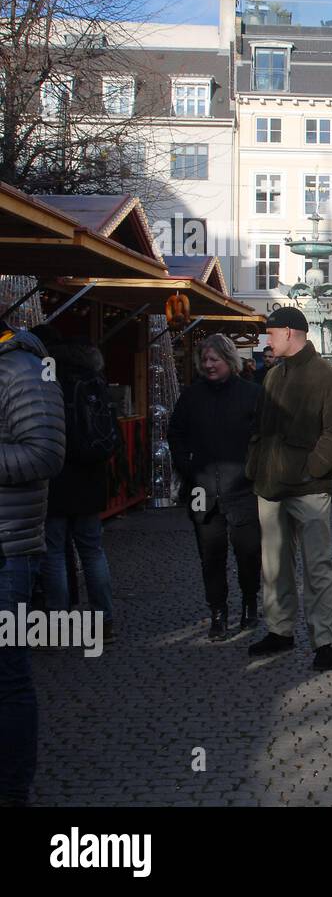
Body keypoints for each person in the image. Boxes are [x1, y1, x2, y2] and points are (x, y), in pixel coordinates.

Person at [244, 307, 332, 672]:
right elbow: (259, 425)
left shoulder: (326, 377)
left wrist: (313, 468)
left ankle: (324, 641)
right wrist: (256, 467)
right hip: (270, 485)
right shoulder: (273, 376)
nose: (267, 340)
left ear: (290, 333)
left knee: (317, 565)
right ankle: (280, 630)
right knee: (274, 565)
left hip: (308, 487)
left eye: (271, 333)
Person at [0, 321, 66, 807]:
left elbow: (45, 454)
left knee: (8, 676)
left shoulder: (24, 369)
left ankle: (12, 790)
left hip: (7, 551)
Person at [168, 334, 263, 639]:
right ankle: (218, 612)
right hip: (201, 490)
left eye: (214, 360)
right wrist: (188, 466)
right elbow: (176, 435)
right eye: (204, 360)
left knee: (248, 553)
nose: (208, 365)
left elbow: (264, 437)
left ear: (229, 361)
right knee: (211, 555)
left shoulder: (252, 394)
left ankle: (250, 603)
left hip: (243, 489)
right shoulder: (191, 397)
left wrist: (253, 468)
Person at [35, 328, 117, 641]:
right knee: (92, 551)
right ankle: (104, 622)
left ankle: (56, 626)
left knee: (54, 551)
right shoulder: (95, 379)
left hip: (57, 474)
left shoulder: (47, 378)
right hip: (92, 476)